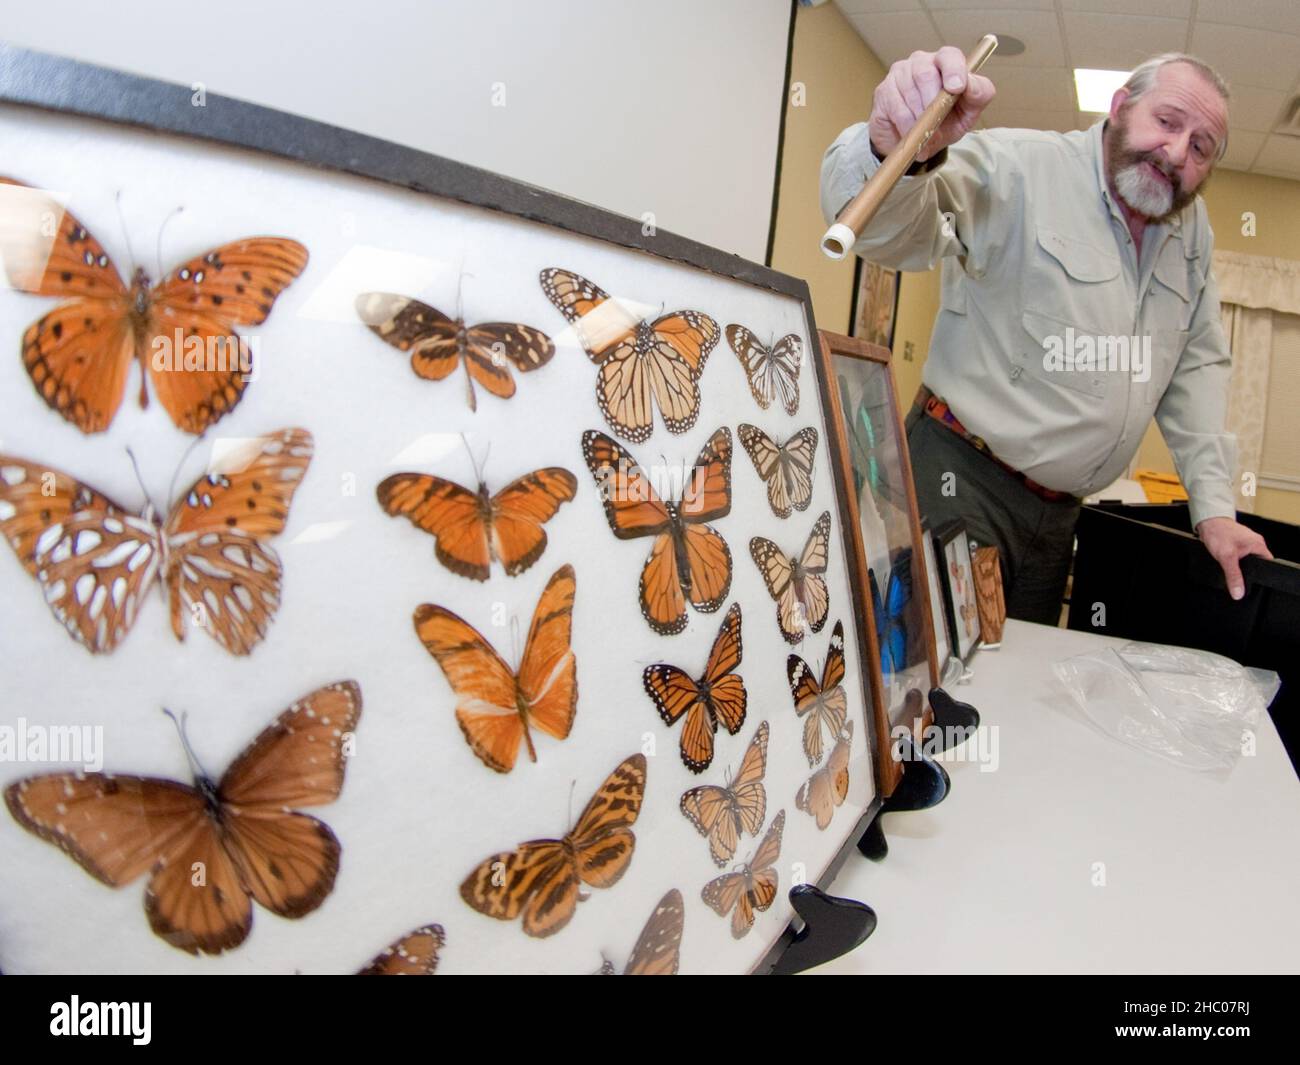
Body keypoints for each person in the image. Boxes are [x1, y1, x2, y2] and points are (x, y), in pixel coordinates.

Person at [821, 50, 1273, 624]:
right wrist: (892, 148)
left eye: (1201, 147)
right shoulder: (1020, 166)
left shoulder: (1192, 235)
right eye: (1167, 121)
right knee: (924, 664)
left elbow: (1197, 365)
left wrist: (1214, 509)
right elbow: (886, 233)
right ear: (1120, 107)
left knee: (1025, 671)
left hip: (1060, 519)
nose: (1178, 152)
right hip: (962, 480)